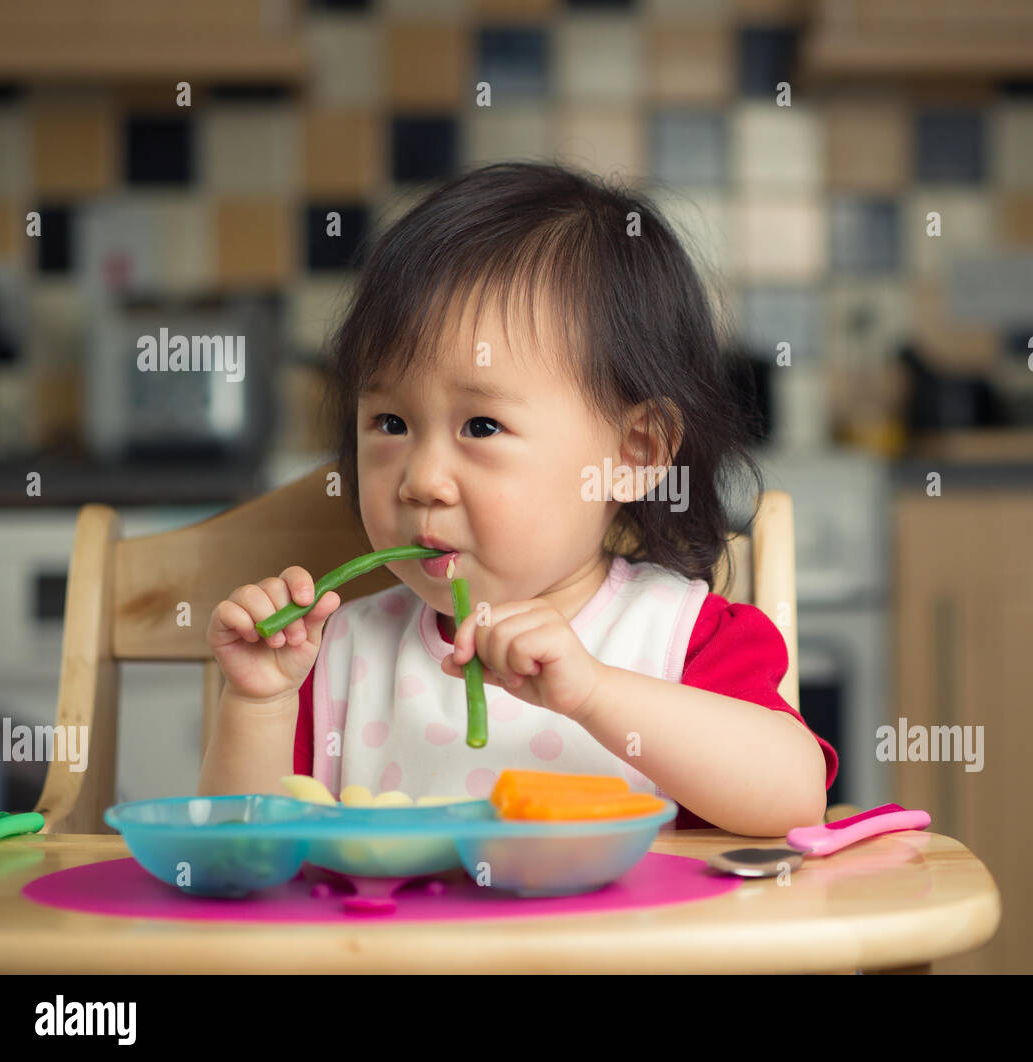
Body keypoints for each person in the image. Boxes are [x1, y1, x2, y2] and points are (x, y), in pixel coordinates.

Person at [201, 162, 836, 836]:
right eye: (391, 423)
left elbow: (794, 797)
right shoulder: (338, 656)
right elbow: (234, 847)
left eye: (481, 426)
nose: (421, 479)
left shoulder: (680, 637)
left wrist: (594, 691)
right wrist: (259, 702)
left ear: (636, 454)